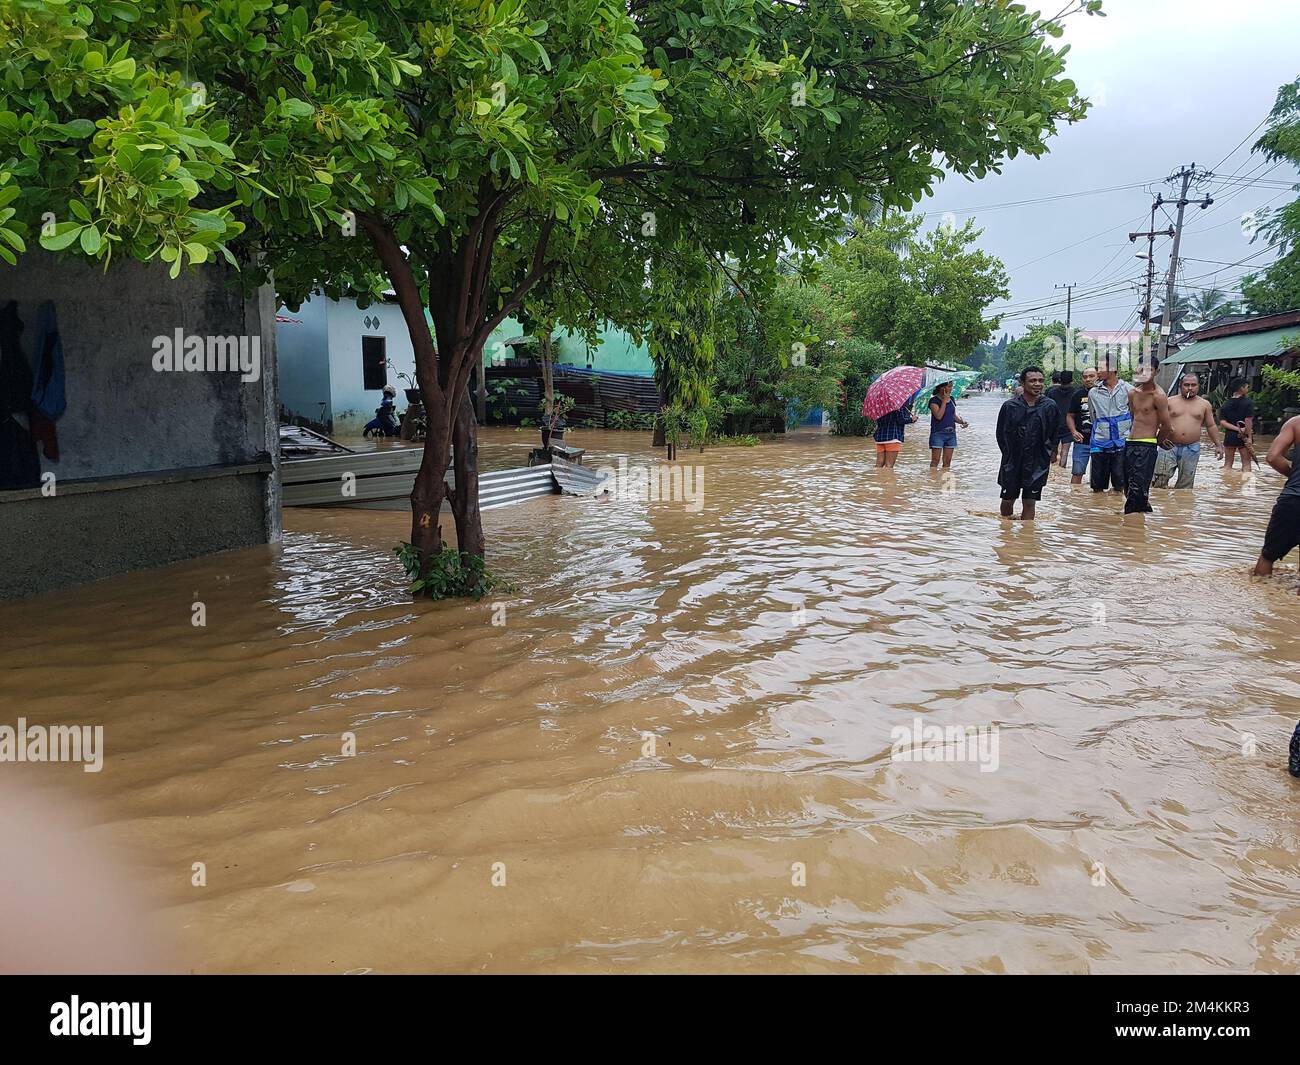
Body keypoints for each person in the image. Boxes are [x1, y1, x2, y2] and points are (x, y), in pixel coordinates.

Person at [996, 366, 1059, 520]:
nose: (1037, 384)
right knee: (1008, 498)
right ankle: (1006, 529)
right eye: (1032, 381)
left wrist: (1050, 453)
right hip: (1013, 459)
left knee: (1030, 501)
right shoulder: (1009, 406)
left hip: (1038, 460)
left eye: (1040, 381)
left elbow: (1055, 433)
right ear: (1022, 383)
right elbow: (1001, 434)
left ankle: (1027, 534)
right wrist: (1008, 454)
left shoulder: (1050, 406)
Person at [1152, 373, 1224, 489]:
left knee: (1185, 487)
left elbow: (1211, 426)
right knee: (1158, 482)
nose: (1190, 388)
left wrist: (1218, 445)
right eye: (1186, 385)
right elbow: (1156, 421)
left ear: (1198, 386)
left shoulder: (1204, 405)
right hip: (1168, 446)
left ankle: (1181, 506)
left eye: (1193, 385)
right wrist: (1158, 437)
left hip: (1191, 448)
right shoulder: (1169, 401)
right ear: (1180, 386)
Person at [1252, 414, 1300, 583]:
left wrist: (1293, 475)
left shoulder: (1295, 423)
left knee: (1267, 555)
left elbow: (1272, 457)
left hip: (1292, 499)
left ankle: (1260, 600)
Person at [1122, 357, 1172, 514]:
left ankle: (1130, 524)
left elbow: (1167, 426)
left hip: (1147, 445)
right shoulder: (1132, 393)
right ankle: (1140, 520)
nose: (1144, 373)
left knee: (1136, 489)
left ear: (1156, 371)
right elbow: (1133, 417)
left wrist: (1155, 443)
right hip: (1130, 443)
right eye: (1141, 369)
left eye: (1149, 370)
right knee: (1128, 486)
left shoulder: (1158, 396)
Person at [1087, 355, 1133, 493]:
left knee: (1121, 484)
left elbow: (1134, 414)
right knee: (1097, 486)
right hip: (1100, 442)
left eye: (1100, 368)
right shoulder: (1093, 393)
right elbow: (1093, 416)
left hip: (1122, 442)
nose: (1098, 372)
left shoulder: (1128, 390)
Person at [1065, 366, 1097, 484]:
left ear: (1098, 377)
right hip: (1082, 440)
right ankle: (1075, 497)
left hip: (1101, 442)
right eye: (1085, 377)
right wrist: (1073, 431)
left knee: (1099, 475)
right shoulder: (1078, 394)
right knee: (1077, 472)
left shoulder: (1105, 394)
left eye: (1091, 376)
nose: (1088, 379)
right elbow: (1070, 415)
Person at [928, 382, 968, 469]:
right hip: (938, 433)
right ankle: (933, 480)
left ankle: (944, 480)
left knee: (947, 463)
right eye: (949, 387)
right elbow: (938, 416)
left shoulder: (952, 399)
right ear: (942, 388)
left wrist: (962, 422)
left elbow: (953, 416)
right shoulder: (933, 401)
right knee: (935, 461)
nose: (951, 389)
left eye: (951, 387)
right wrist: (944, 402)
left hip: (951, 434)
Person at [1219, 377, 1256, 471]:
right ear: (1241, 388)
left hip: (1230, 435)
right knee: (1246, 464)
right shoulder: (1248, 403)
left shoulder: (1225, 404)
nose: (1248, 389)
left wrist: (1236, 429)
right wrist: (1249, 437)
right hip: (1244, 436)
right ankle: (1246, 484)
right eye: (1247, 387)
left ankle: (1225, 483)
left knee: (1227, 465)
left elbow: (1222, 422)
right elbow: (1248, 421)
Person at [1045, 370, 1077, 468]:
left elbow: (1046, 408)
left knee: (1053, 449)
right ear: (1072, 380)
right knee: (1065, 451)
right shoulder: (1076, 392)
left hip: (1054, 425)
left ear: (1060, 380)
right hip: (1069, 425)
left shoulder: (1051, 392)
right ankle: (1061, 469)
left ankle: (1052, 470)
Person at [873, 402, 916, 468]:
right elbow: (901, 420)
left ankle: (877, 478)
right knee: (889, 465)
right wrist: (912, 419)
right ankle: (887, 478)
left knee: (879, 465)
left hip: (880, 437)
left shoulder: (879, 405)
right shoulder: (898, 405)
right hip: (893, 437)